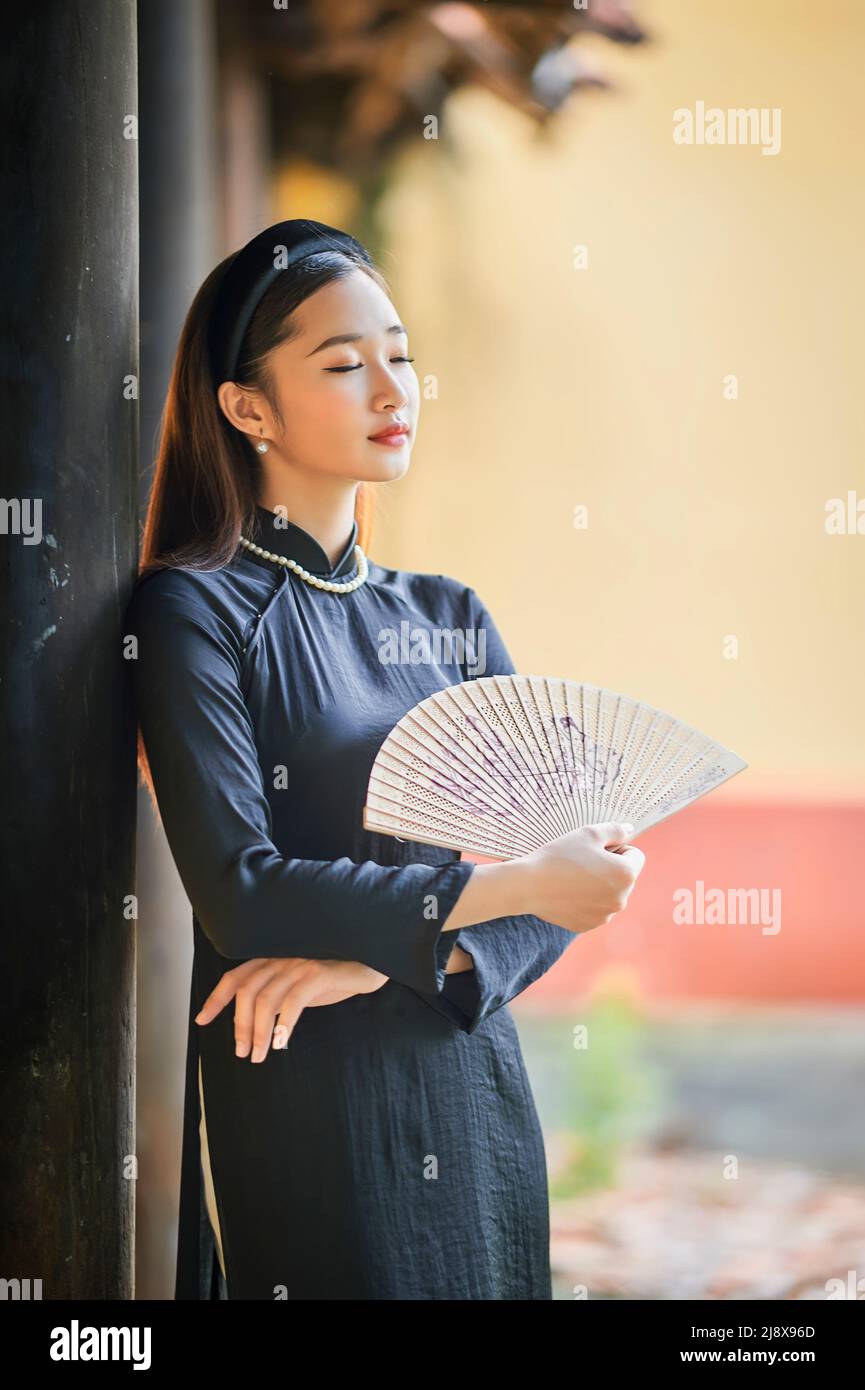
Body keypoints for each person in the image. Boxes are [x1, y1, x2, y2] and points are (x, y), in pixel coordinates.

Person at [125, 218, 645, 1301]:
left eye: (400, 356)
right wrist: (499, 886)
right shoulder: (195, 610)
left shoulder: (448, 617)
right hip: (308, 1100)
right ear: (247, 406)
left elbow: (563, 888)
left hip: (470, 1080)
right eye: (345, 363)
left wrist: (381, 960)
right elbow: (243, 893)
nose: (390, 389)